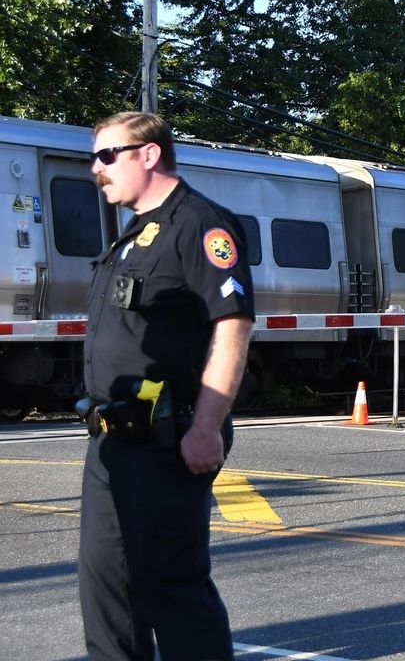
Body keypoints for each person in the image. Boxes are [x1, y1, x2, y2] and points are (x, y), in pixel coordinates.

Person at [79, 112, 255, 660]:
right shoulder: (132, 235)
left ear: (148, 154)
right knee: (106, 589)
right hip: (111, 440)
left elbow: (232, 326)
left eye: (107, 156)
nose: (96, 170)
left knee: (170, 586)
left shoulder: (200, 224)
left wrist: (206, 428)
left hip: (165, 438)